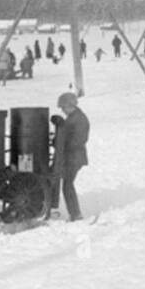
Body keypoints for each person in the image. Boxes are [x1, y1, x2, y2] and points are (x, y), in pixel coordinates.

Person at [53, 92, 89, 221]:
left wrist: (61, 141)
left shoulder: (79, 119)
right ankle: (74, 213)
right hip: (70, 156)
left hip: (74, 157)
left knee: (68, 184)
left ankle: (76, 214)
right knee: (67, 184)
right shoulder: (73, 117)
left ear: (70, 105)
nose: (63, 110)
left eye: (63, 107)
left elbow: (78, 140)